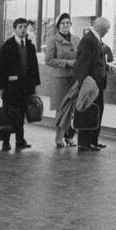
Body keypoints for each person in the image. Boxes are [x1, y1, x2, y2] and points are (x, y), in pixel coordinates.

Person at [0, 18, 40, 152]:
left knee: (21, 114)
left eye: (25, 27)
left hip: (25, 87)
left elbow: (34, 67)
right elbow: (0, 68)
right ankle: (5, 142)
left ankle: (20, 140)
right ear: (14, 29)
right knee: (8, 115)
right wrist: (0, 88)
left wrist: (35, 86)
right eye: (20, 27)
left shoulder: (30, 46)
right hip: (10, 88)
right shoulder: (7, 46)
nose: (23, 29)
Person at [72, 17, 111, 151]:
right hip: (91, 84)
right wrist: (84, 83)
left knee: (96, 111)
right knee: (88, 110)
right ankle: (85, 142)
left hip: (96, 84)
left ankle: (93, 140)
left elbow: (95, 62)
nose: (108, 31)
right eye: (107, 28)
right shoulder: (89, 40)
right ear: (101, 28)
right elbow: (82, 64)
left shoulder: (95, 40)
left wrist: (107, 67)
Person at [44, 13, 79, 143]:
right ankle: (59, 137)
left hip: (74, 78)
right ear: (58, 25)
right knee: (61, 108)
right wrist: (67, 63)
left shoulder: (76, 39)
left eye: (68, 23)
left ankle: (69, 136)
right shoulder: (53, 40)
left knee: (73, 108)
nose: (65, 25)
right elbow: (49, 60)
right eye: (63, 23)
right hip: (60, 79)